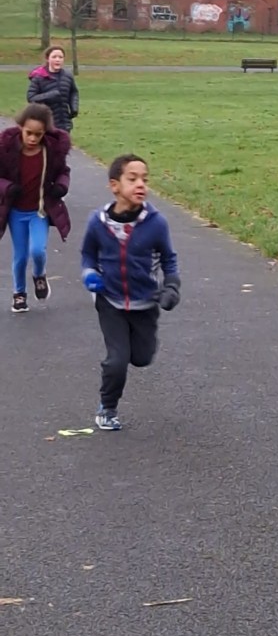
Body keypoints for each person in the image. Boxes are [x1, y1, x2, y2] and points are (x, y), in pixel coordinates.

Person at [80, 154, 181, 431]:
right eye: (133, 179)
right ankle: (107, 408)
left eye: (145, 180)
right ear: (115, 185)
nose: (141, 185)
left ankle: (139, 348)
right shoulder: (98, 223)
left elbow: (169, 259)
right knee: (117, 360)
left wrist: (171, 287)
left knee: (142, 357)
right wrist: (89, 274)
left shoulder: (156, 223)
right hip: (109, 300)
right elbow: (88, 254)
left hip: (145, 303)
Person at [0, 103, 71, 313]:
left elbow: (63, 171)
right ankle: (19, 293)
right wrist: (7, 188)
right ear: (20, 127)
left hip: (38, 211)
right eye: (28, 133)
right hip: (16, 213)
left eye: (37, 135)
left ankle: (39, 275)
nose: (32, 139)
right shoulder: (7, 151)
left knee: (37, 250)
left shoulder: (50, 152)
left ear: (44, 133)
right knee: (20, 256)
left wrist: (61, 186)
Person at [27, 45, 79, 133]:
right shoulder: (39, 77)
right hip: (45, 124)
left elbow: (73, 92)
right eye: (54, 57)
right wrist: (51, 95)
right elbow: (31, 98)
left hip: (64, 123)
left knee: (64, 146)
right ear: (48, 59)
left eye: (60, 57)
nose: (58, 60)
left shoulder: (68, 75)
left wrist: (74, 107)